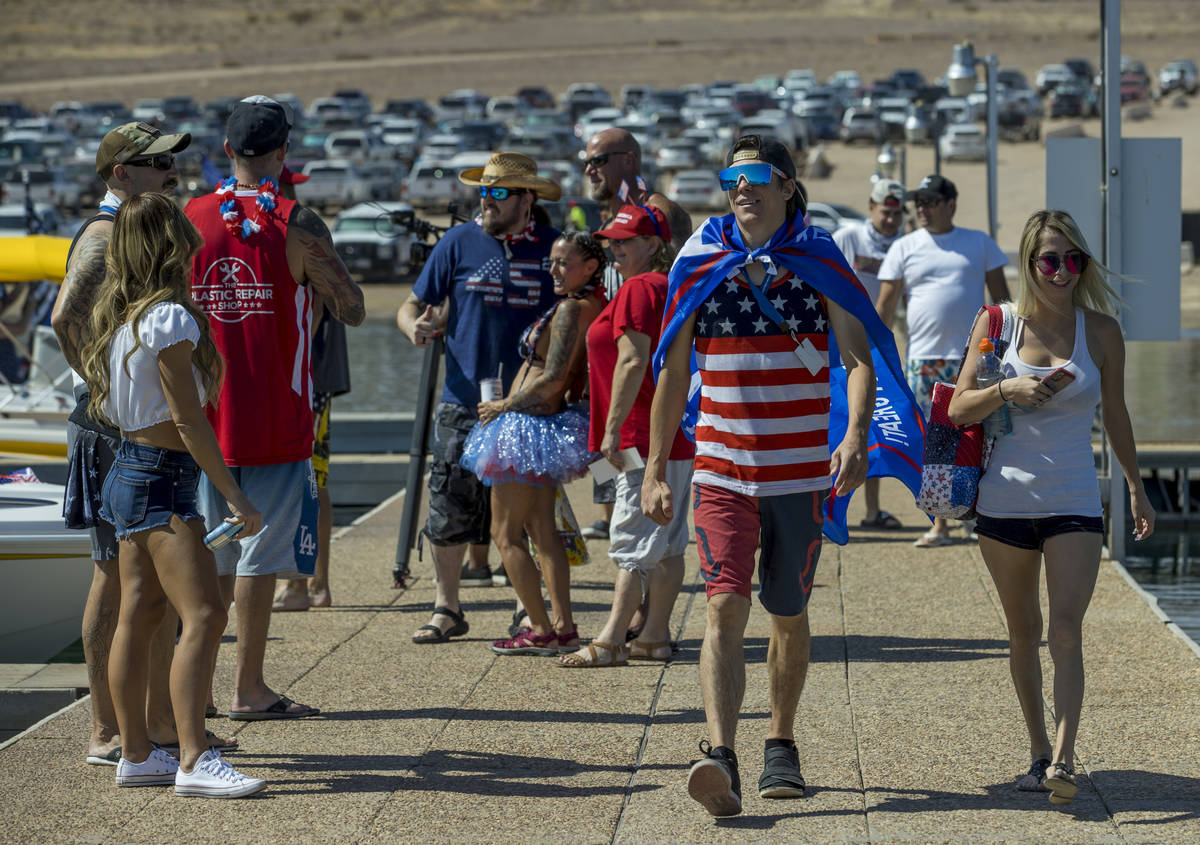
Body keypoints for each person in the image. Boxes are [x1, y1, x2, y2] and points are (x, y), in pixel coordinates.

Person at [643, 135, 908, 817]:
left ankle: (781, 743)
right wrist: (655, 467)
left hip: (799, 475)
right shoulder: (701, 257)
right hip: (721, 471)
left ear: (787, 185)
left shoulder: (819, 258)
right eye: (731, 177)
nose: (742, 188)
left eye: (757, 176)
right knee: (723, 605)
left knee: (788, 612)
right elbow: (672, 369)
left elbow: (857, 359)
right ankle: (721, 753)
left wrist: (855, 435)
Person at [947, 209, 1155, 805]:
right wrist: (1005, 389)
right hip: (1003, 501)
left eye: (1073, 260)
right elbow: (958, 409)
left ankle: (1064, 759)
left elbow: (1115, 413)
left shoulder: (1102, 331)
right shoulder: (996, 324)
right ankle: (1038, 750)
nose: (1062, 271)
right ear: (1030, 262)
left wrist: (1136, 486)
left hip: (1074, 499)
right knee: (1024, 632)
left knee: (1066, 630)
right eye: (1050, 260)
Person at [52, 121, 227, 766]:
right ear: (121, 173)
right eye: (156, 163)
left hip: (126, 425)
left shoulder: (131, 233)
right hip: (114, 428)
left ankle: (154, 726)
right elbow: (64, 317)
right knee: (115, 582)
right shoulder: (104, 235)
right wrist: (105, 388)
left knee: (144, 589)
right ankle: (108, 730)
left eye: (172, 161)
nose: (171, 173)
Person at [185, 96, 364, 719]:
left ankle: (197, 695)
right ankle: (249, 689)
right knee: (258, 559)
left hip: (201, 421)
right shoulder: (298, 222)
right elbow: (352, 308)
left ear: (226, 150)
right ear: (284, 152)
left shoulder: (189, 217)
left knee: (210, 556)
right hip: (277, 420)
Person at [80, 192, 266, 797]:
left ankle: (137, 754)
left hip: (130, 471)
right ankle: (193, 758)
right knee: (206, 613)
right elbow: (188, 421)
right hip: (163, 476)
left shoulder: (123, 321)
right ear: (172, 246)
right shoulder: (169, 318)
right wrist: (235, 495)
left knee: (139, 614)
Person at [397, 152, 560, 643]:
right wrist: (414, 327)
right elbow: (411, 304)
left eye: (498, 193)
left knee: (526, 514)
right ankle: (446, 607)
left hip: (528, 404)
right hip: (463, 399)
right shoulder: (457, 241)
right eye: (483, 191)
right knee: (448, 502)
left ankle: (527, 608)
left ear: (526, 198)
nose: (486, 201)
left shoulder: (553, 247)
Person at [559, 205, 694, 668]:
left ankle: (612, 640)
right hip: (671, 437)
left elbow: (634, 360)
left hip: (638, 437)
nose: (615, 249)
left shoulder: (639, 287)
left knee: (631, 541)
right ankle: (654, 637)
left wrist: (612, 430)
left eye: (625, 242)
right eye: (611, 242)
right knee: (668, 541)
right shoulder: (667, 285)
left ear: (653, 244)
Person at [460, 230, 606, 655]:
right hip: (545, 427)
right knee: (543, 532)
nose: (554, 269)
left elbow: (553, 377)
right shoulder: (592, 305)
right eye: (552, 262)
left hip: (524, 426)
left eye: (564, 262)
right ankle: (564, 627)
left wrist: (503, 405)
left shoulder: (571, 309)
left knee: (504, 534)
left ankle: (539, 628)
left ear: (590, 267)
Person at [875, 174, 1010, 547]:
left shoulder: (979, 243)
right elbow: (884, 308)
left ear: (951, 204)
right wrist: (875, 357)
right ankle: (939, 523)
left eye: (930, 201)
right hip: (924, 360)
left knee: (979, 439)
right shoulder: (904, 247)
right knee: (934, 444)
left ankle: (976, 515)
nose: (922, 208)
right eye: (918, 202)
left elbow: (1003, 303)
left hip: (976, 360)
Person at [579, 128, 692, 552]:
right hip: (613, 363)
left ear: (628, 159)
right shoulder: (611, 217)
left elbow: (672, 274)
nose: (589, 171)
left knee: (636, 508)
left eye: (598, 161)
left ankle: (632, 538)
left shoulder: (653, 210)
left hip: (643, 381)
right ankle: (607, 516)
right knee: (608, 469)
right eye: (586, 162)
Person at [272, 166, 350, 612]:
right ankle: (314, 583)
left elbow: (315, 310)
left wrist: (287, 372)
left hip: (305, 381)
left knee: (306, 481)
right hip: (314, 379)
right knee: (315, 480)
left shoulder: (294, 231)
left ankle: (302, 585)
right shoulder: (307, 227)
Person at [833, 178, 907, 530]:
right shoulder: (848, 238)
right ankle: (826, 509)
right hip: (840, 346)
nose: (890, 220)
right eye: (885, 212)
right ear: (871, 207)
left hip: (879, 349)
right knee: (835, 424)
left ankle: (872, 510)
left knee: (872, 425)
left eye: (896, 214)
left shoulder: (904, 245)